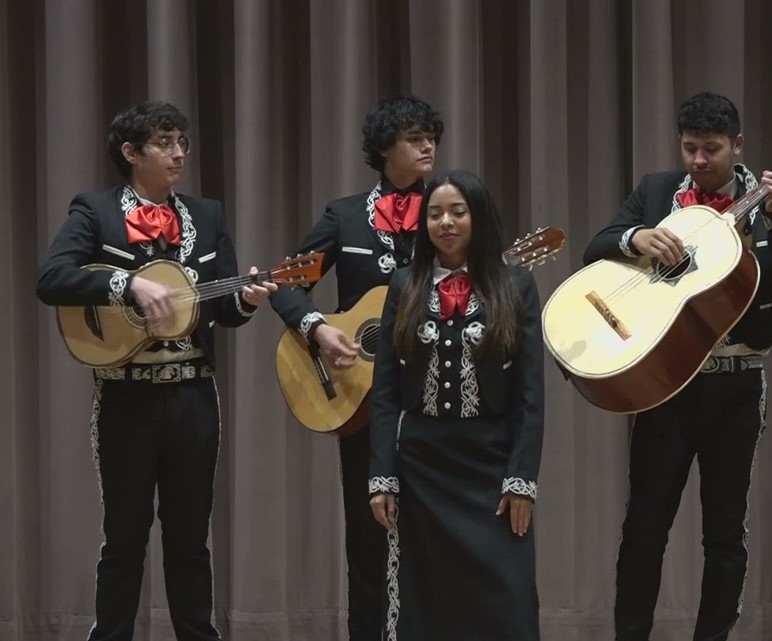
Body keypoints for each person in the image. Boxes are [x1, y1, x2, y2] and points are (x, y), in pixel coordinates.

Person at [36, 101, 275, 641]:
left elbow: (222, 309)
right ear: (131, 152)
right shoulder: (96, 211)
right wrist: (127, 284)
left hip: (193, 395)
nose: (179, 153)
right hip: (125, 397)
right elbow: (51, 278)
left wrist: (248, 300)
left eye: (181, 142)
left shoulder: (207, 215)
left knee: (189, 539)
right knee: (124, 539)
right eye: (165, 143)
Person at [582, 91, 772, 641]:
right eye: (689, 148)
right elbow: (596, 247)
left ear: (738, 145)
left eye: (712, 148)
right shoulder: (657, 191)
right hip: (666, 384)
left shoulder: (770, 200)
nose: (699, 160)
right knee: (644, 527)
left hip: (737, 383)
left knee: (725, 532)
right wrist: (636, 237)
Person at [267, 93, 442, 639]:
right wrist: (317, 329)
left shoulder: (451, 210)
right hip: (364, 400)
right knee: (368, 543)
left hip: (437, 397)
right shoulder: (344, 217)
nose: (428, 146)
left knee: (436, 541)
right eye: (414, 138)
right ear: (385, 148)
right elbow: (285, 283)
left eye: (431, 137)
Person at [368, 170, 544, 641]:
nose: (445, 222)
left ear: (478, 217)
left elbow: (530, 395)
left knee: (506, 597)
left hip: (491, 463)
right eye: (434, 214)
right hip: (421, 466)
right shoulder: (404, 284)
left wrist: (522, 480)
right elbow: (385, 390)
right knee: (425, 597)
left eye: (457, 212)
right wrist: (382, 476)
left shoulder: (517, 285)